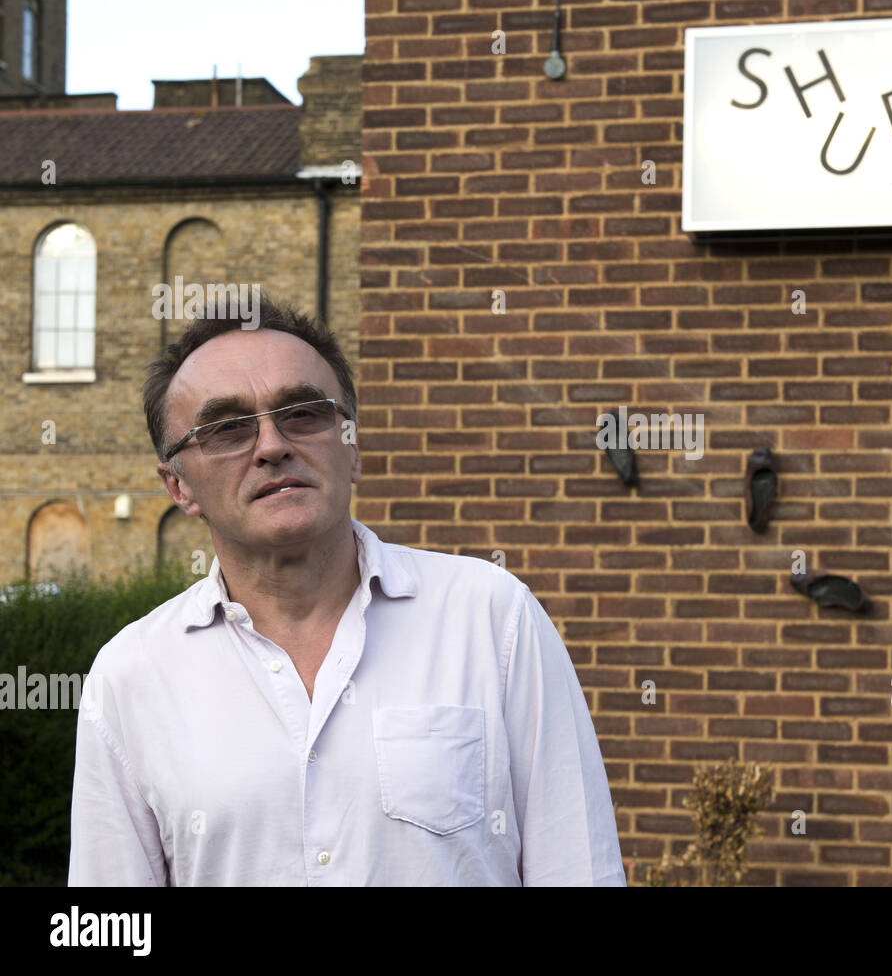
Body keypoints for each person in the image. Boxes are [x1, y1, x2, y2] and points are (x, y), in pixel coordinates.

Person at [68, 299, 625, 886]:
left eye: (304, 413)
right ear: (178, 485)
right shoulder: (131, 676)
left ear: (352, 447)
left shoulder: (490, 618)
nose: (271, 445)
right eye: (227, 429)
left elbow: (578, 870)